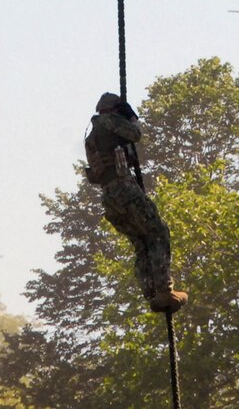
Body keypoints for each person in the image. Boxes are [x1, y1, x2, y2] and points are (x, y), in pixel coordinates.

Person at [84, 92, 188, 313]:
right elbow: (136, 133)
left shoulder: (92, 135)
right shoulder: (110, 121)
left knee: (141, 242)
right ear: (114, 109)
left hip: (110, 198)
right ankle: (164, 291)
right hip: (125, 190)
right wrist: (131, 117)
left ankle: (150, 291)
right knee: (158, 233)